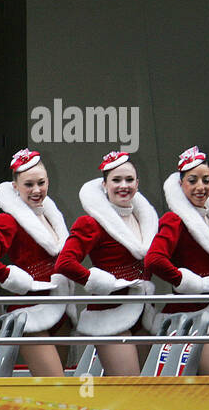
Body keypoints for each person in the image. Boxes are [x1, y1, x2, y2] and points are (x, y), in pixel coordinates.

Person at [55, 152, 157, 376]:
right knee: (128, 390)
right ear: (104, 185)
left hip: (143, 313)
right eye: (116, 180)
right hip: (110, 315)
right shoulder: (91, 222)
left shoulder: (145, 220)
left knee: (147, 391)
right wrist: (98, 281)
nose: (124, 186)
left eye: (129, 180)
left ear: (138, 183)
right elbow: (64, 262)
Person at [0, 149, 72, 377]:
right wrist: (15, 279)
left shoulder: (51, 215)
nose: (36, 190)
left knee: (60, 391)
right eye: (29, 185)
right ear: (15, 187)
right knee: (55, 385)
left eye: (41, 183)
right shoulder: (8, 219)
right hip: (31, 311)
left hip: (61, 308)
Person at [144, 147, 209, 375]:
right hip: (194, 317)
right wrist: (192, 283)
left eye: (206, 180)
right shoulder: (174, 219)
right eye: (192, 181)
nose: (200, 187)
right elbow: (154, 259)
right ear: (181, 184)